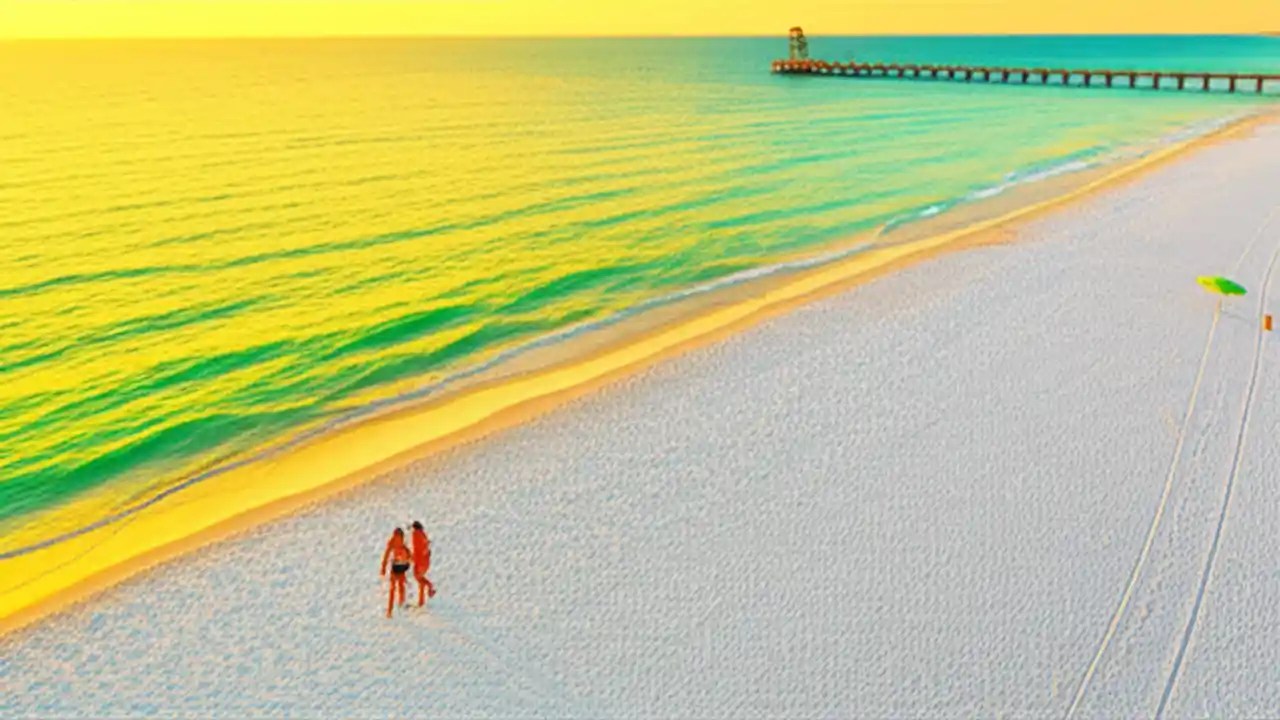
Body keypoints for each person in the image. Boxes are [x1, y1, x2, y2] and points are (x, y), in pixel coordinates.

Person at [380, 527, 412, 618]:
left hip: (398, 567)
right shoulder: (399, 544)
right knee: (398, 586)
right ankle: (397, 605)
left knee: (394, 588)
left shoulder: (394, 543)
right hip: (400, 566)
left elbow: (386, 555)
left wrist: (383, 567)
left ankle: (392, 609)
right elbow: (409, 555)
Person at [410, 521, 437, 607]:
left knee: (418, 577)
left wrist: (413, 558)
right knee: (420, 579)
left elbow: (418, 549)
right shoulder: (423, 534)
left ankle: (429, 587)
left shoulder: (416, 535)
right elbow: (425, 547)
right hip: (425, 562)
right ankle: (421, 601)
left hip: (420, 561)